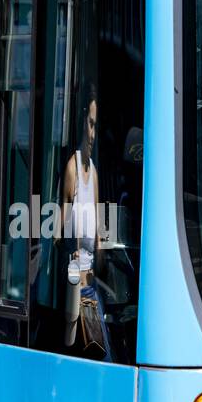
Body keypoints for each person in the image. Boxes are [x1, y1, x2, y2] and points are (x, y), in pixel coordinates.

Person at [63, 85, 111, 359]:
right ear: (82, 122)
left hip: (91, 286)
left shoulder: (92, 171)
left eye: (97, 127)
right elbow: (60, 226)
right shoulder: (73, 167)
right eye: (90, 125)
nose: (93, 134)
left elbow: (97, 230)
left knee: (103, 352)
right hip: (76, 288)